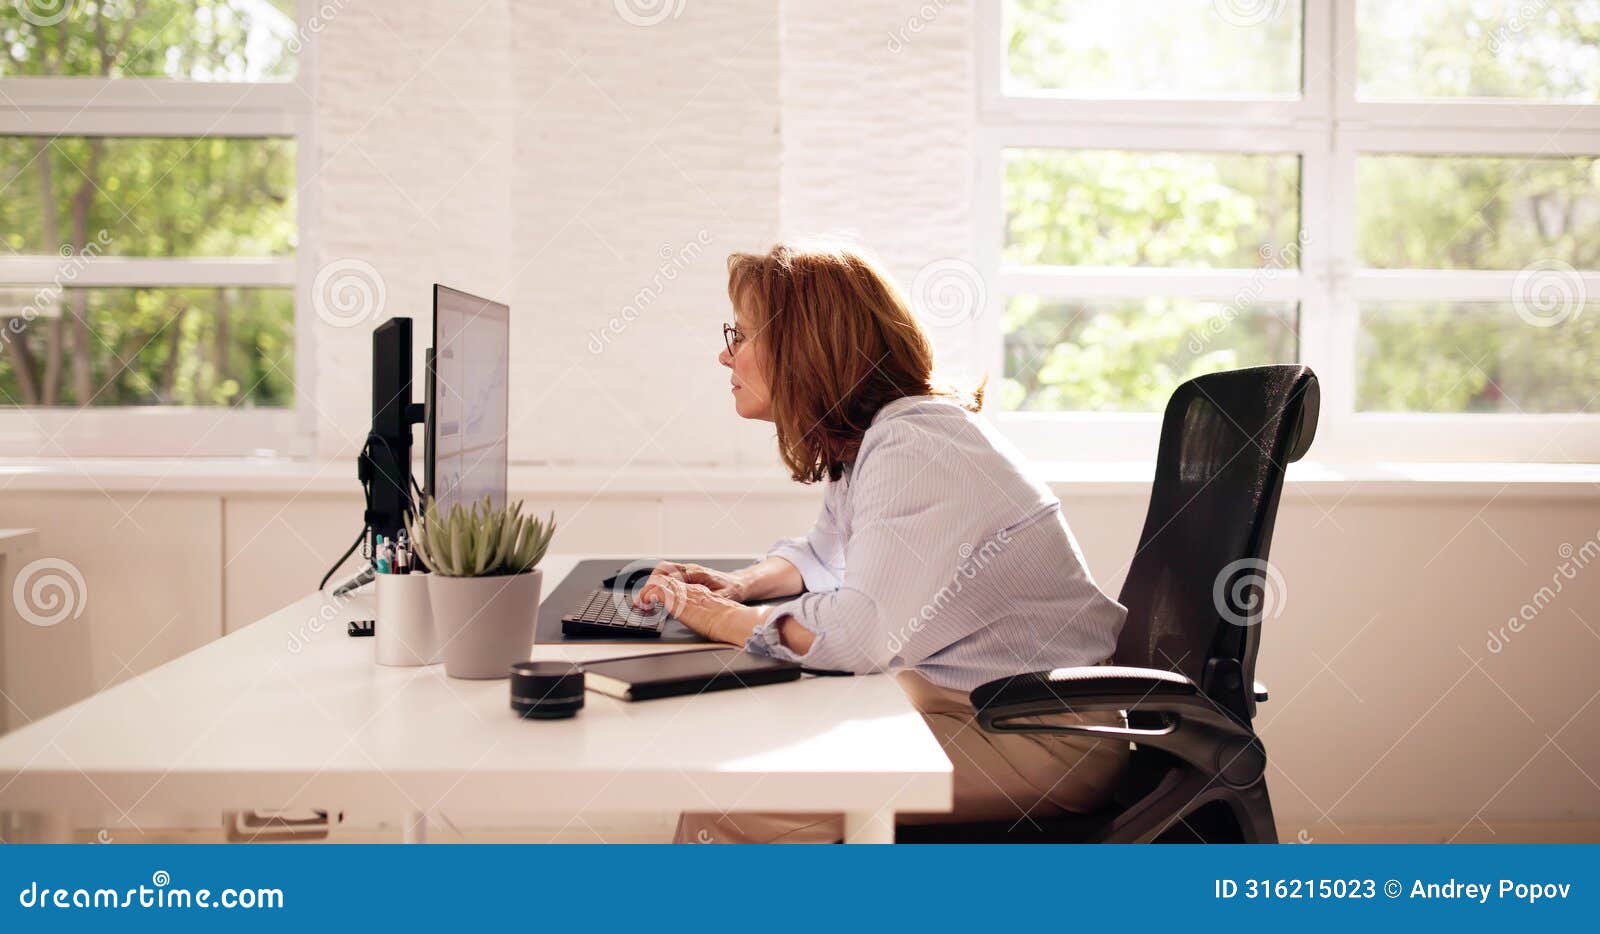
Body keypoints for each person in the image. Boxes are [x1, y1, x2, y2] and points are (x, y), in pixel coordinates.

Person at [636, 241, 1129, 843]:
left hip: (1045, 738)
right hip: (972, 702)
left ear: (803, 350)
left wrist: (720, 618)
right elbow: (822, 555)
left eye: (740, 335)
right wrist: (739, 586)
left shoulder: (916, 448)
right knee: (748, 752)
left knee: (734, 802)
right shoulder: (877, 439)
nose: (724, 355)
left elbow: (858, 633)